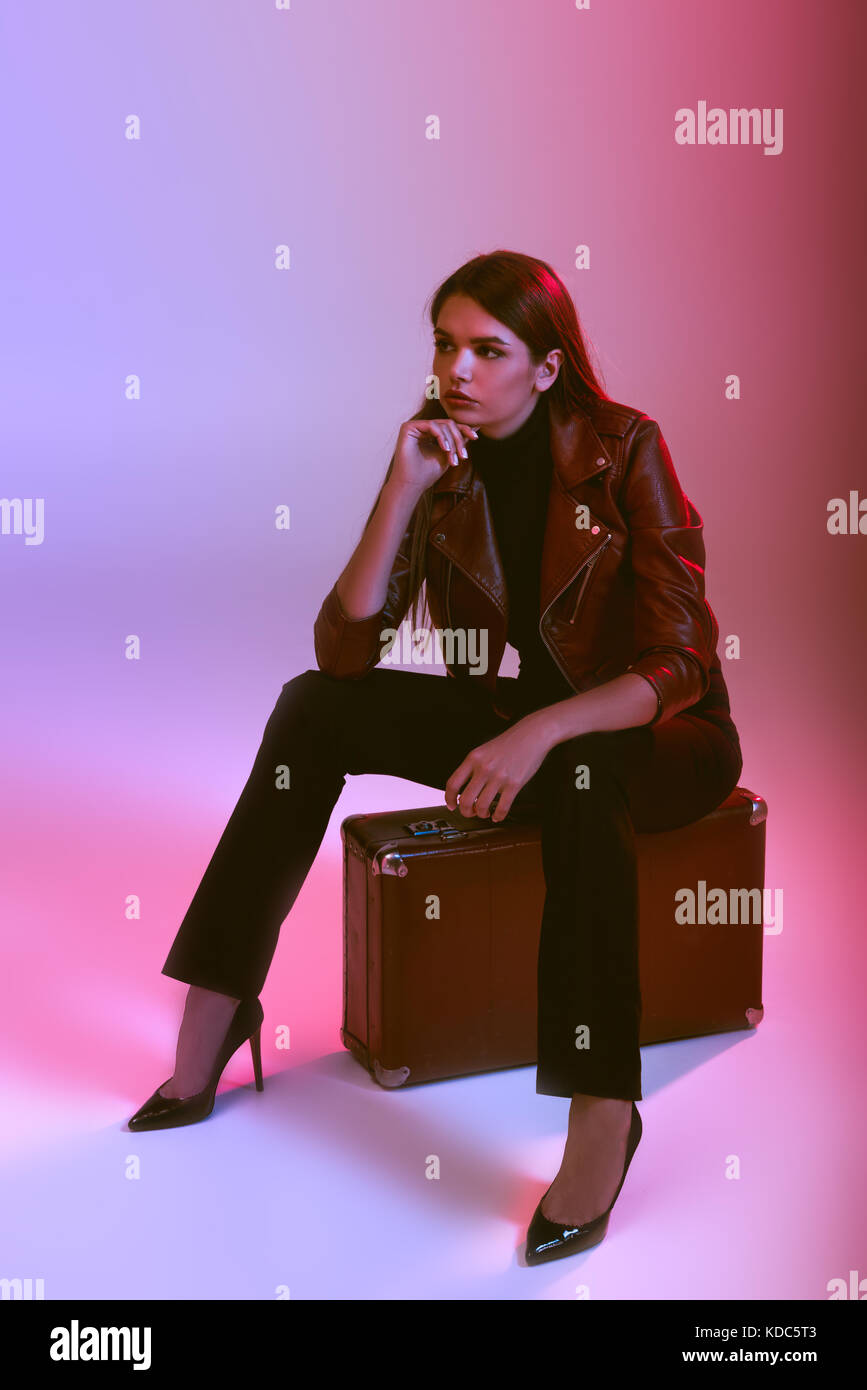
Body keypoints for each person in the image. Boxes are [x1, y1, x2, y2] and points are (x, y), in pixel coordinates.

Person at [128, 250, 743, 1266]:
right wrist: (401, 484)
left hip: (657, 735)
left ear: (546, 368)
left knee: (585, 775)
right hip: (509, 719)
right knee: (311, 707)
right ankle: (221, 999)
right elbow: (344, 652)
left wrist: (540, 729)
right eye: (446, 345)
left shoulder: (625, 445)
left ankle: (603, 1110)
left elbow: (679, 660)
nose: (459, 368)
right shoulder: (441, 464)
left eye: (488, 349)